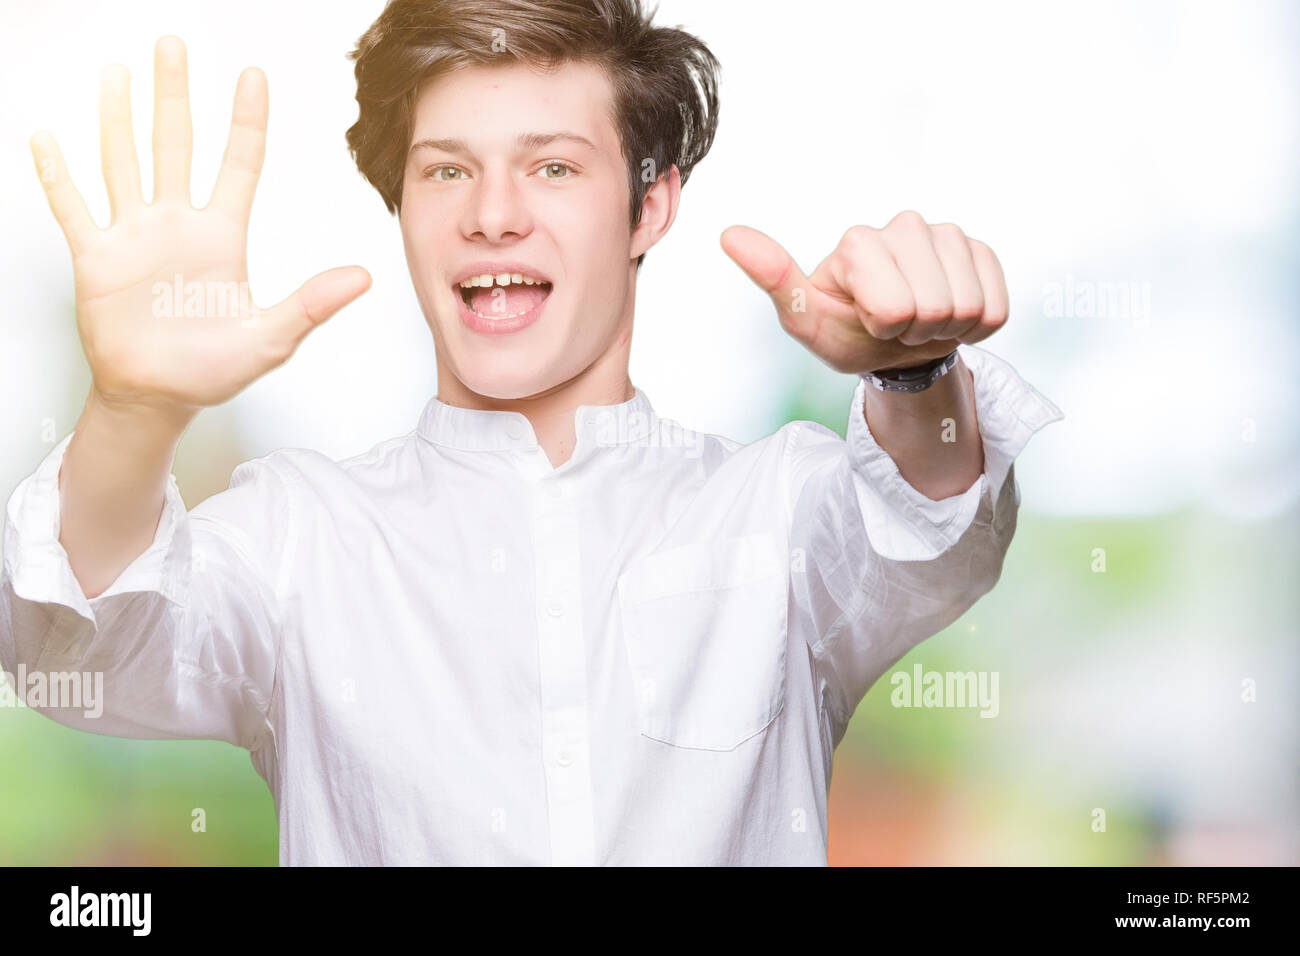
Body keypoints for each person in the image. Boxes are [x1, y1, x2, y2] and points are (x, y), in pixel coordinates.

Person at [1, 0, 1063, 865]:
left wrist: (914, 368)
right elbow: (70, 649)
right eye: (446, 169)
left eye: (552, 166)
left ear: (650, 206)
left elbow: (934, 524)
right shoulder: (303, 534)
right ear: (405, 208)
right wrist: (135, 412)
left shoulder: (774, 516)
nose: (492, 213)